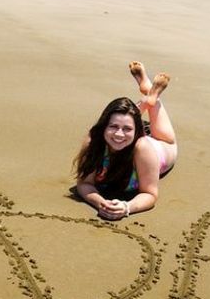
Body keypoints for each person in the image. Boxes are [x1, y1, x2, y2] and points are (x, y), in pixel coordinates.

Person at [72, 62, 177, 220]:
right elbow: (84, 184)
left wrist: (127, 207)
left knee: (158, 132)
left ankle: (151, 98)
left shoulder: (143, 148)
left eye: (128, 129)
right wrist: (100, 203)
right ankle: (148, 98)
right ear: (103, 127)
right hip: (129, 132)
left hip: (161, 147)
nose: (119, 134)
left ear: (137, 131)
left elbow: (150, 194)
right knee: (124, 116)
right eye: (112, 126)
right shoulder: (94, 141)